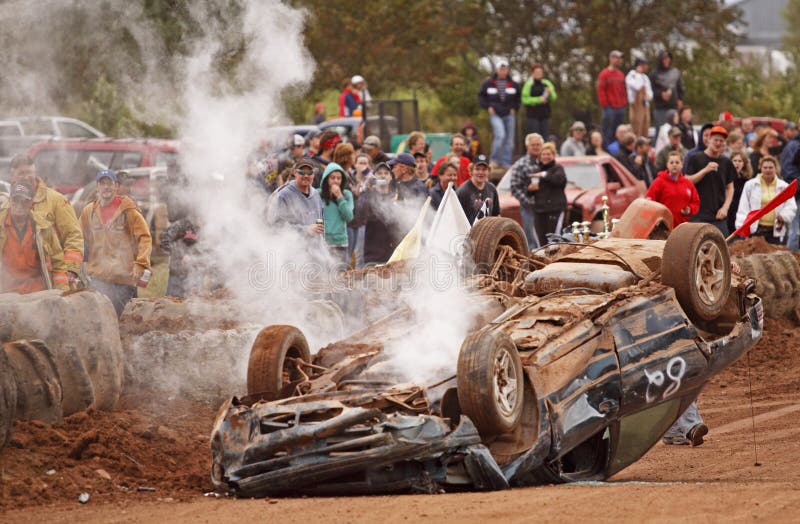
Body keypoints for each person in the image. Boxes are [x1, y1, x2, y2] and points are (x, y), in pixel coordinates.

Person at [80, 170, 152, 316]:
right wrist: (77, 267)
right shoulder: (89, 211)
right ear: (97, 187)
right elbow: (79, 238)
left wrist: (141, 263)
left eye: (110, 183)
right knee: (100, 317)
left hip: (124, 279)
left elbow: (145, 237)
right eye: (102, 183)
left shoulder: (128, 211)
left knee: (119, 318)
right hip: (98, 277)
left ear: (116, 186)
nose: (106, 187)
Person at [5, 154, 84, 286]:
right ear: (12, 177)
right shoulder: (6, 204)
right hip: (15, 283)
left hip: (51, 277)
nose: (26, 177)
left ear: (35, 172)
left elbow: (73, 235)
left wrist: (70, 268)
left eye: (29, 172)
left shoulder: (56, 200)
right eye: (21, 173)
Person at [1, 182, 69, 293]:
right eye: (16, 200)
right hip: (6, 292)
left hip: (38, 292)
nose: (19, 204)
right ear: (10, 201)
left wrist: (63, 292)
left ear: (31, 203)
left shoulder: (44, 228)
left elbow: (58, 263)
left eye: (24, 201)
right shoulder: (1, 226)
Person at [684, 126, 736, 235]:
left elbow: (730, 188)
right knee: (697, 243)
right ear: (708, 140)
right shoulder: (695, 158)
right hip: (698, 215)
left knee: (722, 243)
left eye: (721, 141)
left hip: (718, 216)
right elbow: (687, 181)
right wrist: (704, 170)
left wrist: (725, 208)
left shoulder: (726, 162)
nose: (718, 143)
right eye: (715, 140)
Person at [735, 156, 797, 245]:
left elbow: (791, 206)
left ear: (776, 168)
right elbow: (743, 206)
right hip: (755, 230)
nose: (768, 170)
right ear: (760, 168)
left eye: (771, 167)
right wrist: (741, 226)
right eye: (765, 167)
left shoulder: (784, 186)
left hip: (775, 231)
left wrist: (783, 216)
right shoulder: (750, 185)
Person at [266, 158, 324, 243]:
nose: (306, 175)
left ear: (313, 174)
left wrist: (323, 246)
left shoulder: (315, 194)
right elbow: (278, 226)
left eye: (309, 172)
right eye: (302, 172)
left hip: (315, 249)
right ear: (295, 172)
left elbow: (320, 225)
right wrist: (306, 230)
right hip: (293, 249)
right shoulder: (283, 195)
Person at [352, 163, 398, 265]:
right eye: (379, 173)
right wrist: (366, 190)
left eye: (386, 173)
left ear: (390, 177)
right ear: (374, 177)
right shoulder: (368, 196)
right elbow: (359, 216)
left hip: (392, 256)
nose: (383, 176)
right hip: (373, 256)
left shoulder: (395, 197)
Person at [478, 59, 521, 169]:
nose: (503, 71)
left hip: (509, 114)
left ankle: (506, 162)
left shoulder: (514, 84)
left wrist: (515, 108)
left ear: (507, 70)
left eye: (505, 69)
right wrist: (488, 106)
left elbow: (518, 98)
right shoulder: (488, 83)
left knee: (509, 139)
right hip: (495, 114)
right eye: (501, 69)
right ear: (497, 70)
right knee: (500, 135)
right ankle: (494, 160)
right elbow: (481, 96)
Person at [646, 151, 700, 227]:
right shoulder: (659, 182)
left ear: (682, 165)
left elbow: (696, 202)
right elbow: (649, 202)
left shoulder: (688, 183)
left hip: (682, 226)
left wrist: (689, 209)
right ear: (667, 165)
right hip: (664, 227)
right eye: (671, 162)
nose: (674, 165)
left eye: (677, 162)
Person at [527, 142, 567, 245]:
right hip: (539, 211)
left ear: (553, 155)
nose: (546, 157)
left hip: (555, 210)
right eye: (543, 154)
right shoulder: (537, 170)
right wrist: (530, 190)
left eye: (548, 154)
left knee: (554, 241)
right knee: (541, 242)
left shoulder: (558, 169)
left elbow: (559, 180)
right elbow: (529, 193)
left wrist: (544, 175)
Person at [318, 163, 355, 266]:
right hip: (322, 243)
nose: (336, 181)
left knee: (340, 273)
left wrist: (339, 197)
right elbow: (314, 215)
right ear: (326, 179)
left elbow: (349, 217)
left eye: (339, 178)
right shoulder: (317, 194)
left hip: (340, 243)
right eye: (332, 178)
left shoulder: (347, 194)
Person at [510, 133, 543, 248]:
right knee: (532, 243)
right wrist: (529, 202)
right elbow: (514, 187)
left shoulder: (546, 161)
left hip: (546, 208)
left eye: (538, 144)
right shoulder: (521, 164)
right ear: (527, 146)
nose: (536, 147)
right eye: (533, 145)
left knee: (547, 240)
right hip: (529, 209)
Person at [160, 212, 201, 298]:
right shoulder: (182, 224)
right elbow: (164, 238)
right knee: (173, 301)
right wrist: (181, 255)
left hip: (194, 276)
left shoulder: (205, 230)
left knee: (193, 303)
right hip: (177, 274)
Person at [456, 154, 500, 223]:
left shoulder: (492, 189)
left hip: (487, 229)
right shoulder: (462, 191)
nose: (481, 172)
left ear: (488, 171)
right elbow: (456, 217)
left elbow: (496, 215)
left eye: (484, 169)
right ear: (471, 170)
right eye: (477, 169)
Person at [596, 50, 627, 147]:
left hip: (620, 108)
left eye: (620, 58)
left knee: (618, 131)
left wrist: (623, 103)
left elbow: (623, 90)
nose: (620, 60)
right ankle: (606, 149)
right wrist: (606, 105)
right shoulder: (604, 74)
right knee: (608, 132)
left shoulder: (621, 74)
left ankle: (617, 149)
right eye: (617, 58)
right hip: (609, 108)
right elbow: (601, 91)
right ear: (611, 59)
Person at [650, 49, 685, 130]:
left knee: (675, 130)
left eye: (668, 58)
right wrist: (660, 94)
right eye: (664, 58)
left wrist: (680, 99)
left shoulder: (675, 72)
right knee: (661, 131)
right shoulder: (654, 74)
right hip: (660, 109)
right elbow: (650, 90)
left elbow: (680, 87)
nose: (666, 60)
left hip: (673, 107)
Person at [780, 119, 800, 251]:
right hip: (797, 195)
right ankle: (791, 259)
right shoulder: (793, 145)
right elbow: (787, 171)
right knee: (795, 232)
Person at [521, 63, 557, 138]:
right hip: (532, 116)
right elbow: (524, 100)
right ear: (532, 73)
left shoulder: (547, 83)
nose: (539, 74)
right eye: (536, 72)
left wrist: (549, 93)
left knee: (545, 138)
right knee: (535, 138)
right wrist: (538, 100)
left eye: (540, 72)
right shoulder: (528, 84)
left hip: (545, 115)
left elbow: (554, 98)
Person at [625, 57, 653, 138]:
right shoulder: (631, 76)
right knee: (636, 128)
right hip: (635, 106)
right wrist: (638, 75)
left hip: (645, 105)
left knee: (646, 126)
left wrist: (649, 96)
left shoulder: (645, 77)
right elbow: (637, 87)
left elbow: (650, 91)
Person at [727, 151, 753, 235]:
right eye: (735, 160)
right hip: (728, 211)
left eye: (740, 161)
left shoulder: (747, 181)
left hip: (741, 211)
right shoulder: (726, 178)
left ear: (744, 164)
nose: (737, 163)